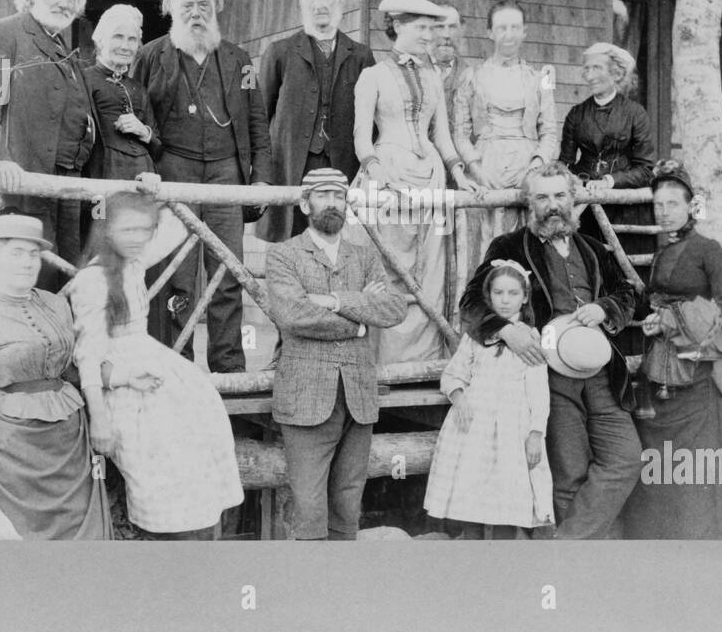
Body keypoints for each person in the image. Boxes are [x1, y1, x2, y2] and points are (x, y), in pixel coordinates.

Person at [460, 162, 641, 539]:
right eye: (542, 197)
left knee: (625, 458)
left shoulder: (592, 249)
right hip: (546, 374)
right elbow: (471, 304)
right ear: (529, 203)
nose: (553, 205)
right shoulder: (509, 248)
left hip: (601, 369)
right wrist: (508, 330)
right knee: (568, 471)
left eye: (560, 195)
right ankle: (574, 565)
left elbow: (627, 294)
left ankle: (564, 545)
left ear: (572, 199)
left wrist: (605, 308)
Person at [68, 186, 245, 539]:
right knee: (161, 465)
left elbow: (175, 227)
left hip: (152, 363)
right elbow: (87, 355)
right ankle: (166, 541)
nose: (137, 238)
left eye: (142, 230)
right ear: (105, 230)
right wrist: (100, 416)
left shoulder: (132, 262)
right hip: (121, 380)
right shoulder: (94, 279)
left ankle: (198, 538)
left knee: (198, 439)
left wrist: (157, 191)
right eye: (127, 230)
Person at [621, 160, 722, 540]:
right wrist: (653, 319)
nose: (664, 212)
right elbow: (655, 301)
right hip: (665, 366)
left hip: (701, 370)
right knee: (670, 463)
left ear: (691, 207)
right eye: (658, 205)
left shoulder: (708, 250)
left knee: (703, 465)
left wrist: (675, 319)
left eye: (672, 204)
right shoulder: (662, 252)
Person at [132, 0, 272, 370]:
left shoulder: (239, 60)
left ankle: (230, 370)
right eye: (187, 7)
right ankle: (175, 367)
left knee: (229, 272)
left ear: (215, 11)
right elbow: (136, 120)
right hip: (173, 171)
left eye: (203, 6)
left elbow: (258, 122)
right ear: (172, 13)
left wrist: (260, 178)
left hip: (227, 175)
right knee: (177, 277)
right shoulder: (150, 56)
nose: (196, 14)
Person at [0, 211, 112, 540]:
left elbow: (75, 367)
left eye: (33, 254)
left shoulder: (57, 305)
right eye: (16, 253)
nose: (27, 263)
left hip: (69, 451)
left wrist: (118, 377)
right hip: (11, 460)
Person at [265, 168, 407, 540]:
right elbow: (294, 315)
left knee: (347, 506)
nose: (332, 203)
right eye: (323, 194)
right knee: (310, 509)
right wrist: (360, 321)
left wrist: (333, 301)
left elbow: (394, 309)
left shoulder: (364, 256)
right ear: (304, 202)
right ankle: (313, 590)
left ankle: (341, 588)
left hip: (358, 395)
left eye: (339, 196)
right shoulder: (284, 255)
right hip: (306, 396)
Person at [351, 0, 477, 364]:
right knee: (387, 267)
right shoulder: (372, 75)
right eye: (421, 27)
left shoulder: (433, 77)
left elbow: (442, 136)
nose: (429, 36)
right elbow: (361, 137)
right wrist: (378, 174)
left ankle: (423, 361)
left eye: (432, 28)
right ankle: (383, 363)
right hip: (387, 177)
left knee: (429, 271)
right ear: (398, 26)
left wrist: (458, 173)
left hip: (432, 180)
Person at [0, 0, 97, 284]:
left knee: (63, 276)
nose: (65, 2)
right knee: (30, 277)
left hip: (63, 188)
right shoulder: (5, 33)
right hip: (23, 183)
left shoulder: (64, 48)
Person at [425, 259, 553, 539]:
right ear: (489, 296)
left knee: (506, 509)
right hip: (474, 429)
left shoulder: (531, 338)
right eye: (498, 293)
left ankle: (501, 573)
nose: (505, 301)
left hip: (512, 430)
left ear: (525, 297)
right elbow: (453, 374)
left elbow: (539, 392)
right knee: (472, 508)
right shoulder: (476, 337)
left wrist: (535, 433)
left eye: (513, 293)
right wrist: (459, 399)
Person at [257, 0, 375, 244]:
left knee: (339, 240)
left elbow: (372, 121)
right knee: (291, 243)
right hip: (291, 166)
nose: (320, 4)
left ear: (341, 3)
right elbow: (260, 119)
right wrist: (262, 175)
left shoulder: (360, 56)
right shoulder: (279, 52)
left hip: (342, 164)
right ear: (302, 3)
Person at [452, 0, 559, 259]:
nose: (508, 35)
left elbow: (550, 133)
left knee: (528, 246)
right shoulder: (472, 76)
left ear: (524, 32)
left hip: (526, 169)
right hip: (486, 166)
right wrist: (477, 169)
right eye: (501, 28)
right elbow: (461, 132)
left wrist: (535, 168)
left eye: (514, 27)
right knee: (485, 245)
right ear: (490, 32)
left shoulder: (539, 79)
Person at [559, 42, 656, 287]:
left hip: (626, 208)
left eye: (597, 68)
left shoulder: (635, 113)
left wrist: (610, 181)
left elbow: (646, 169)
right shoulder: (577, 114)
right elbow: (565, 163)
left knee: (628, 273)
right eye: (586, 69)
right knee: (590, 272)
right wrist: (578, 180)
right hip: (588, 210)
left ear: (616, 73)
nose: (589, 75)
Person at [82, 4, 162, 181]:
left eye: (132, 39)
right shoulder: (84, 80)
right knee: (100, 210)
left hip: (144, 176)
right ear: (101, 41)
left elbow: (158, 144)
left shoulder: (139, 88)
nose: (125, 46)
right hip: (103, 174)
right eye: (118, 37)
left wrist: (143, 131)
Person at [430, 4, 470, 132]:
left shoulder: (471, 77)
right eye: (440, 27)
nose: (447, 35)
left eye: (452, 27)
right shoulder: (413, 70)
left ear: (461, 31)